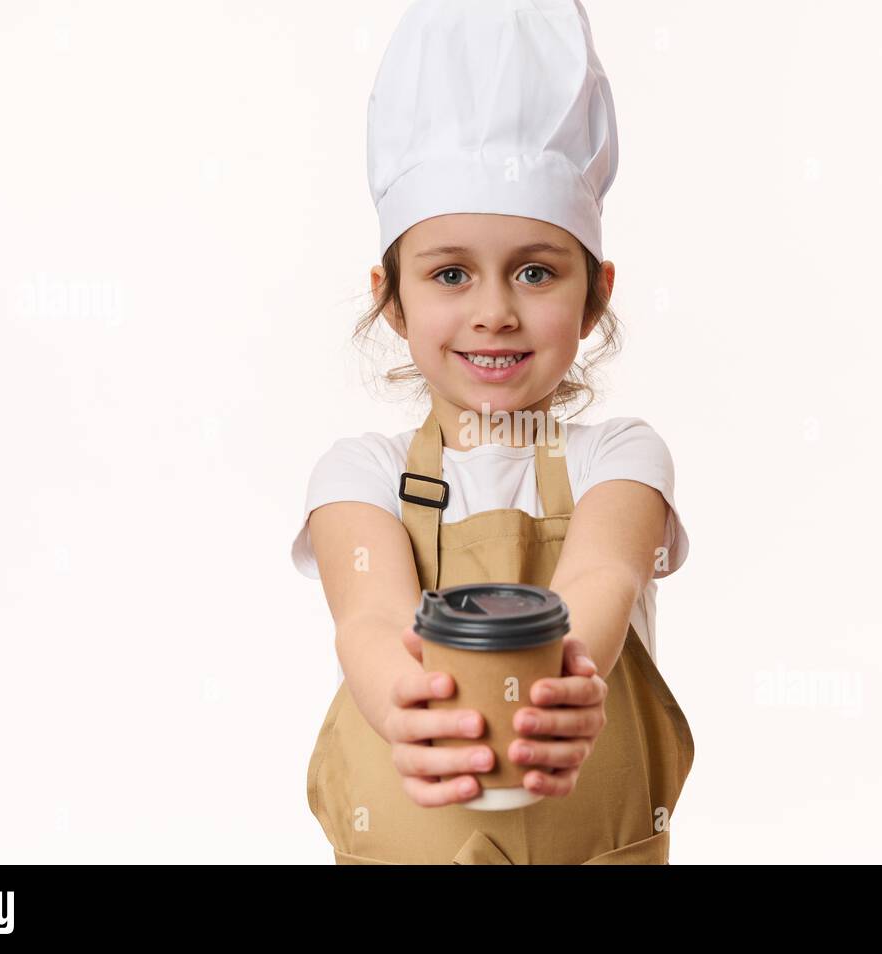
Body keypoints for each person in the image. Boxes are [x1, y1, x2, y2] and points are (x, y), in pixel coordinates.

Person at [291, 0, 694, 864]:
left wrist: (562, 684)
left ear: (595, 294)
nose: (495, 312)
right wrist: (413, 704)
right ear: (390, 299)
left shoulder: (620, 459)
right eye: (450, 274)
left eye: (536, 272)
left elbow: (602, 575)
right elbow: (369, 619)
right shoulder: (358, 477)